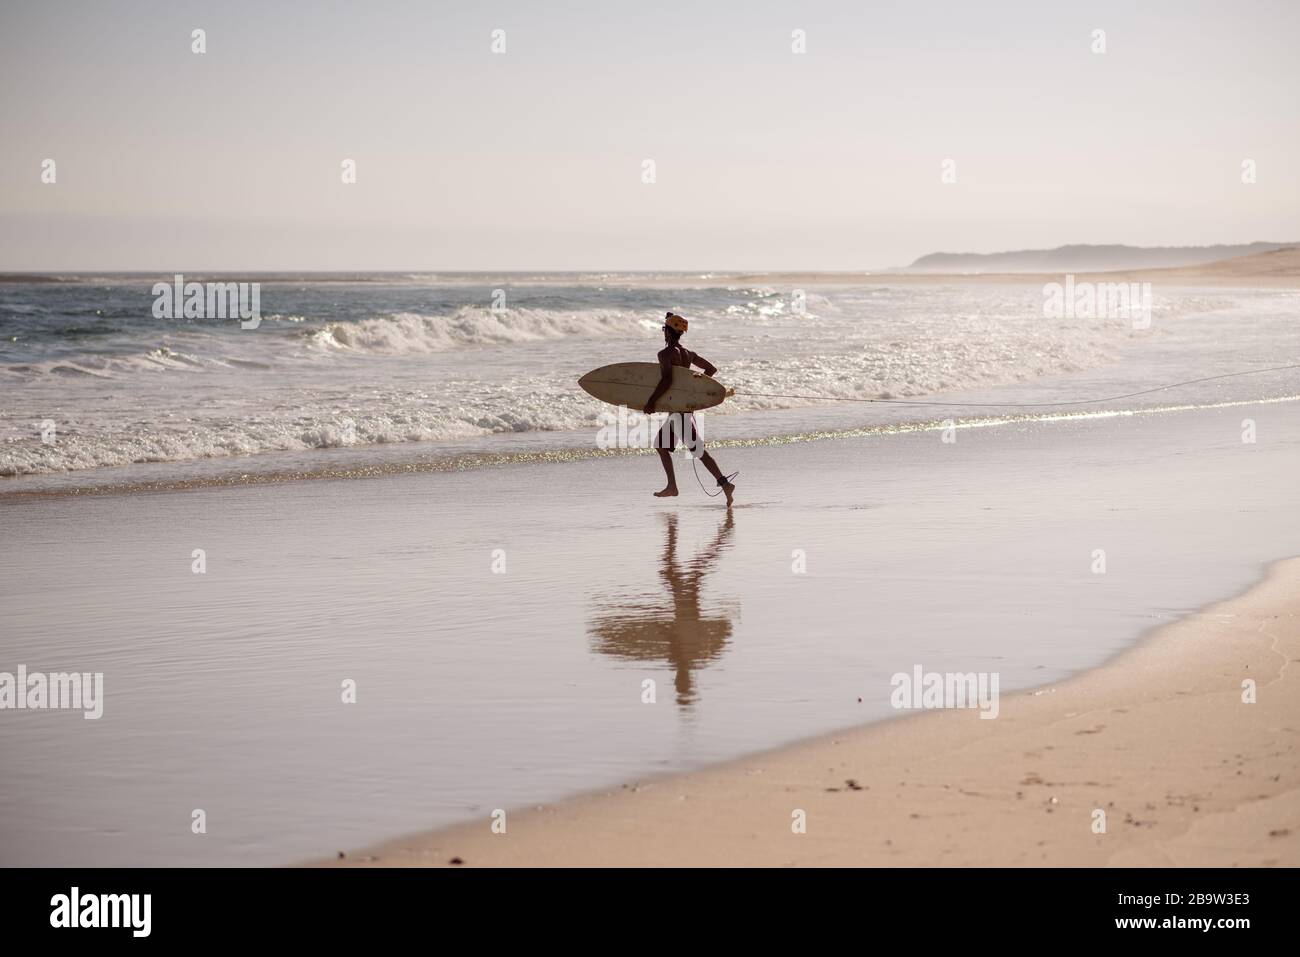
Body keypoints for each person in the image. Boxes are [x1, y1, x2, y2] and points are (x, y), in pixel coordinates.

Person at [642, 312, 736, 506]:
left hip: (679, 412)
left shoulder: (665, 354)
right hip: (683, 408)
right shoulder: (688, 354)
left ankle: (723, 483)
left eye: (664, 330)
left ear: (667, 332)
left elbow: (667, 379)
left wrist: (651, 401)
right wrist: (695, 387)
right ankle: (673, 486)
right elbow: (710, 369)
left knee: (697, 450)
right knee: (662, 445)